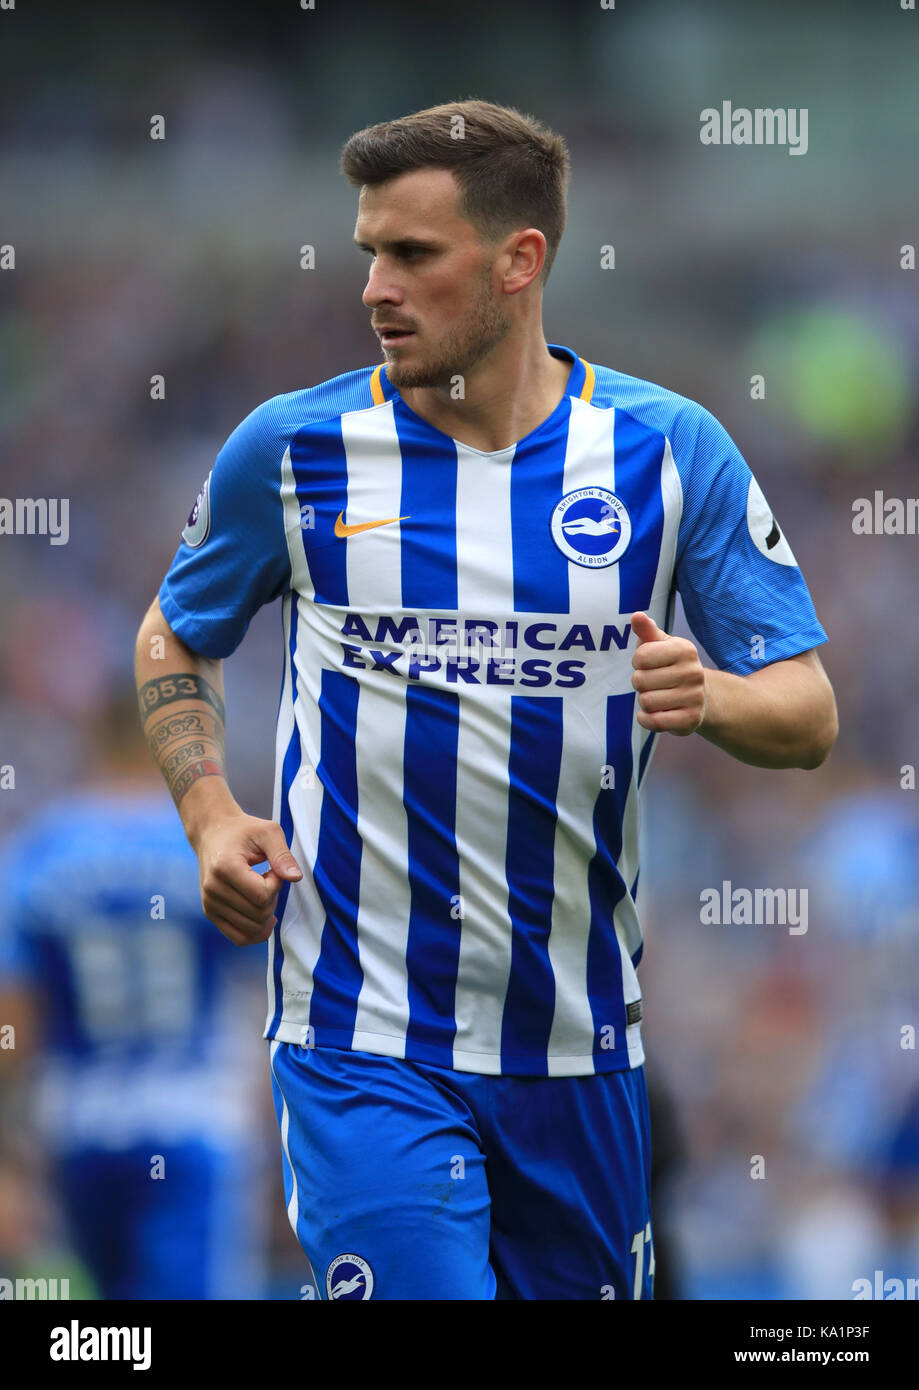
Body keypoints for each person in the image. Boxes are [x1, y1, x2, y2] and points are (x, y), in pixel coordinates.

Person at [134, 98, 837, 1300]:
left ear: (521, 262)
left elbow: (807, 712)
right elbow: (173, 633)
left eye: (413, 254)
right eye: (369, 252)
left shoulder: (668, 451)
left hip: (580, 1053)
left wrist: (709, 694)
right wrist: (210, 815)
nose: (374, 288)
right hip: (362, 1040)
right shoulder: (292, 451)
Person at [0, 691, 269, 1299]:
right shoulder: (207, 846)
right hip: (193, 1120)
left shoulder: (38, 853)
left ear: (94, 740)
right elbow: (268, 992)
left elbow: (14, 1024)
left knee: (106, 1329)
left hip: (76, 1127)